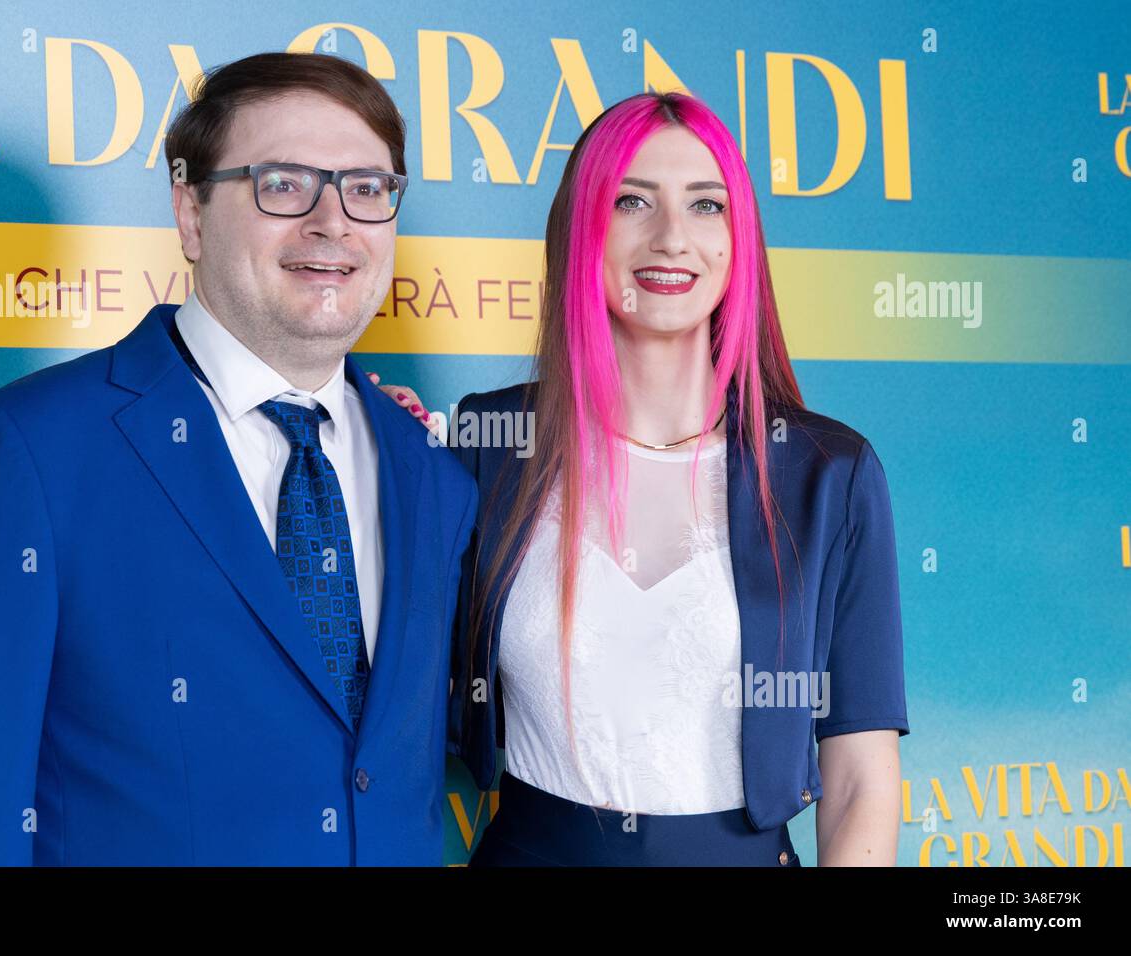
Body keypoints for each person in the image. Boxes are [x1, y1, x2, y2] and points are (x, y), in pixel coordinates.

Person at [0, 52, 477, 865]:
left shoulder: (433, 476)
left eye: (366, 189)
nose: (333, 222)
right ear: (190, 212)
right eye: (284, 184)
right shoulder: (23, 453)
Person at [380, 91, 909, 866]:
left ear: (740, 239)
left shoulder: (829, 474)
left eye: (705, 205)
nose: (672, 238)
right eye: (632, 201)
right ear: (581, 229)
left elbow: (862, 777)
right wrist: (378, 453)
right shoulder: (484, 446)